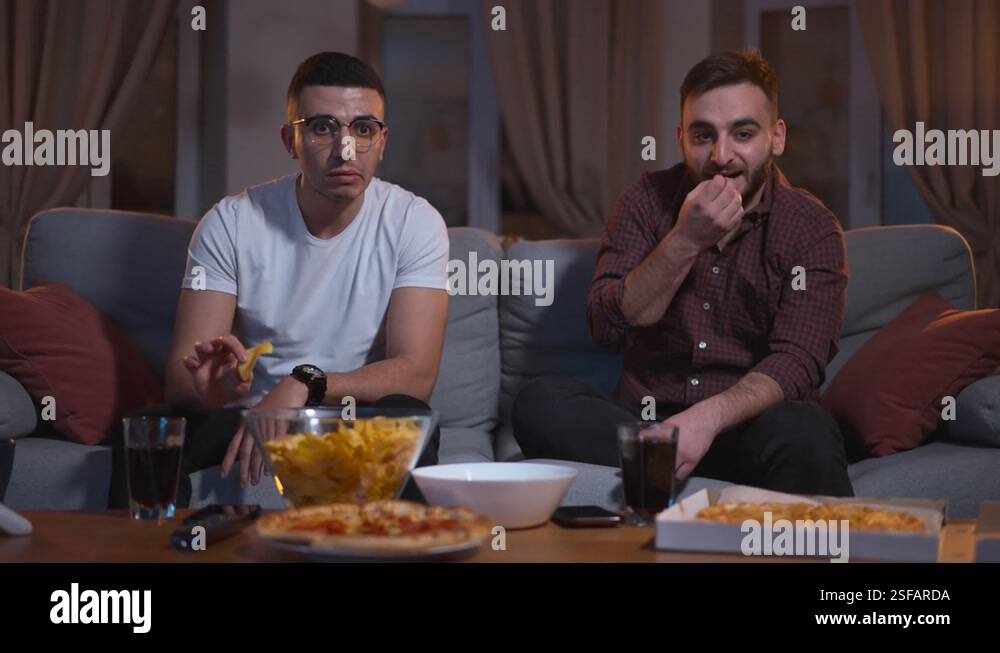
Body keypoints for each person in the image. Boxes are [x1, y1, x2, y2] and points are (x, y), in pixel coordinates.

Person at [111, 52, 449, 506]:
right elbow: (182, 378)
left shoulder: (414, 221)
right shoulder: (230, 222)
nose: (345, 148)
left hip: (348, 414)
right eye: (323, 127)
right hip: (254, 413)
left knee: (410, 418)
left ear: (382, 141)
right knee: (149, 429)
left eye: (363, 129)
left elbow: (416, 374)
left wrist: (307, 383)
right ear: (291, 140)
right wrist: (213, 391)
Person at [512, 50, 853, 497]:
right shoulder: (644, 202)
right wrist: (685, 240)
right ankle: (675, 481)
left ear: (777, 137)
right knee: (540, 404)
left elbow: (798, 360)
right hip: (646, 429)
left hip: (747, 430)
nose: (721, 155)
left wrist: (704, 421)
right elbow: (607, 326)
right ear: (680, 138)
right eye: (703, 135)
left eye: (743, 134)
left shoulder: (811, 227)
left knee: (807, 428)